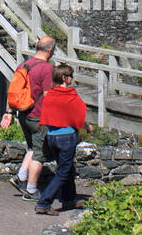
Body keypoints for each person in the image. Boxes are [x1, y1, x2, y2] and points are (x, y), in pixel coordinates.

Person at [34, 63, 87, 214]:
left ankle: (68, 200)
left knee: (67, 168)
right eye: (71, 76)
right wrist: (86, 126)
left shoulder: (49, 94)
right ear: (64, 78)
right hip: (67, 137)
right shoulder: (70, 94)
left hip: (51, 137)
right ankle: (44, 203)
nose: (72, 79)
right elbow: (79, 111)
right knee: (63, 171)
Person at [10, 36, 56, 202]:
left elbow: (13, 89)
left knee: (31, 147)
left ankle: (21, 177)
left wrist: (8, 112)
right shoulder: (47, 68)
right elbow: (48, 96)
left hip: (23, 113)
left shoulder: (23, 65)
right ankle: (31, 189)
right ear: (50, 50)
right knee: (40, 153)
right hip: (38, 115)